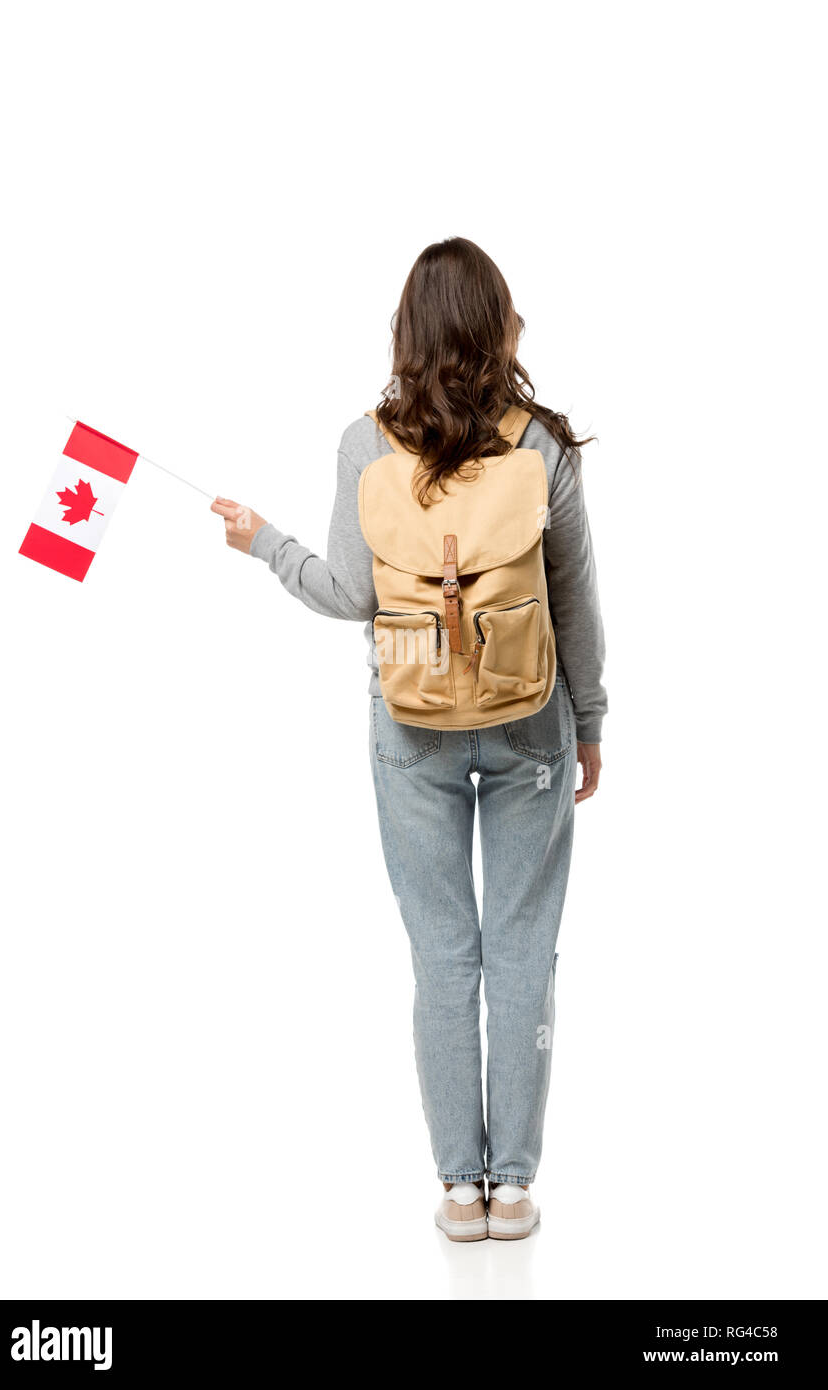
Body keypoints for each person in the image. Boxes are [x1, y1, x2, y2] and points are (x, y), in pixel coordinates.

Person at [211, 237, 606, 1241]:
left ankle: (457, 1192)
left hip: (410, 731)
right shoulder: (541, 444)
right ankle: (513, 1187)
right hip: (531, 725)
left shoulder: (368, 442)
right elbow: (574, 604)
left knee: (444, 958)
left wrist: (265, 542)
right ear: (499, 322)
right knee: (523, 953)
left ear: (409, 328)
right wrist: (589, 722)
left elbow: (348, 594)